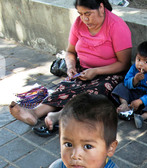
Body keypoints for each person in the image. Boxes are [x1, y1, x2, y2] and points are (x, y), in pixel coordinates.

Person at [9, 0, 132, 136]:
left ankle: (60, 115)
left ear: (101, 7)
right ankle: (35, 112)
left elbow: (124, 64)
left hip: (110, 73)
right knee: (67, 86)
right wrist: (71, 66)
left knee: (94, 93)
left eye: (88, 14)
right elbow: (70, 52)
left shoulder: (116, 26)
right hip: (84, 69)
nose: (85, 19)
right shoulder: (79, 23)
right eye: (80, 14)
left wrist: (96, 71)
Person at [112, 40, 147, 129]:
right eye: (138, 59)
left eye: (146, 62)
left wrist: (140, 101)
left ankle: (142, 117)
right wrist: (135, 80)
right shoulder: (133, 68)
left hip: (145, 99)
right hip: (133, 94)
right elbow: (126, 82)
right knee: (121, 86)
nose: (140, 64)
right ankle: (124, 104)